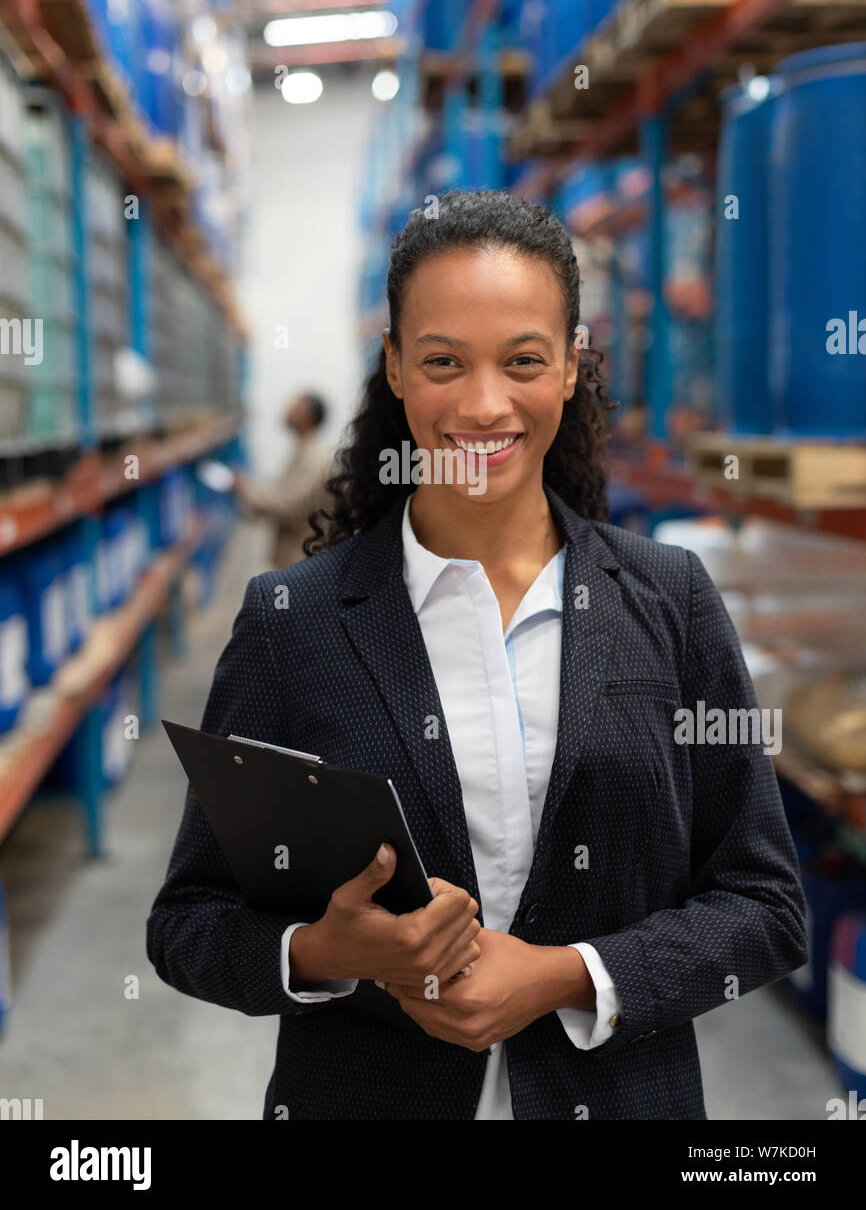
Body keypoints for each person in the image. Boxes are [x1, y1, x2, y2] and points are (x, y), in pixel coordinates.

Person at [147, 190, 807, 1121]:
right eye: (444, 362)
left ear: (572, 367)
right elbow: (188, 925)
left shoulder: (672, 601)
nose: (483, 404)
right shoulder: (291, 621)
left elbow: (764, 906)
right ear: (396, 368)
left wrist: (567, 976)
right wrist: (328, 954)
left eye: (524, 361)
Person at [233, 392, 331, 569]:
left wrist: (245, 490)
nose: (287, 409)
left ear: (308, 416)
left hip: (302, 564)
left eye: (295, 406)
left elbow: (289, 505)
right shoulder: (302, 452)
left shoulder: (316, 459)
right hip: (296, 562)